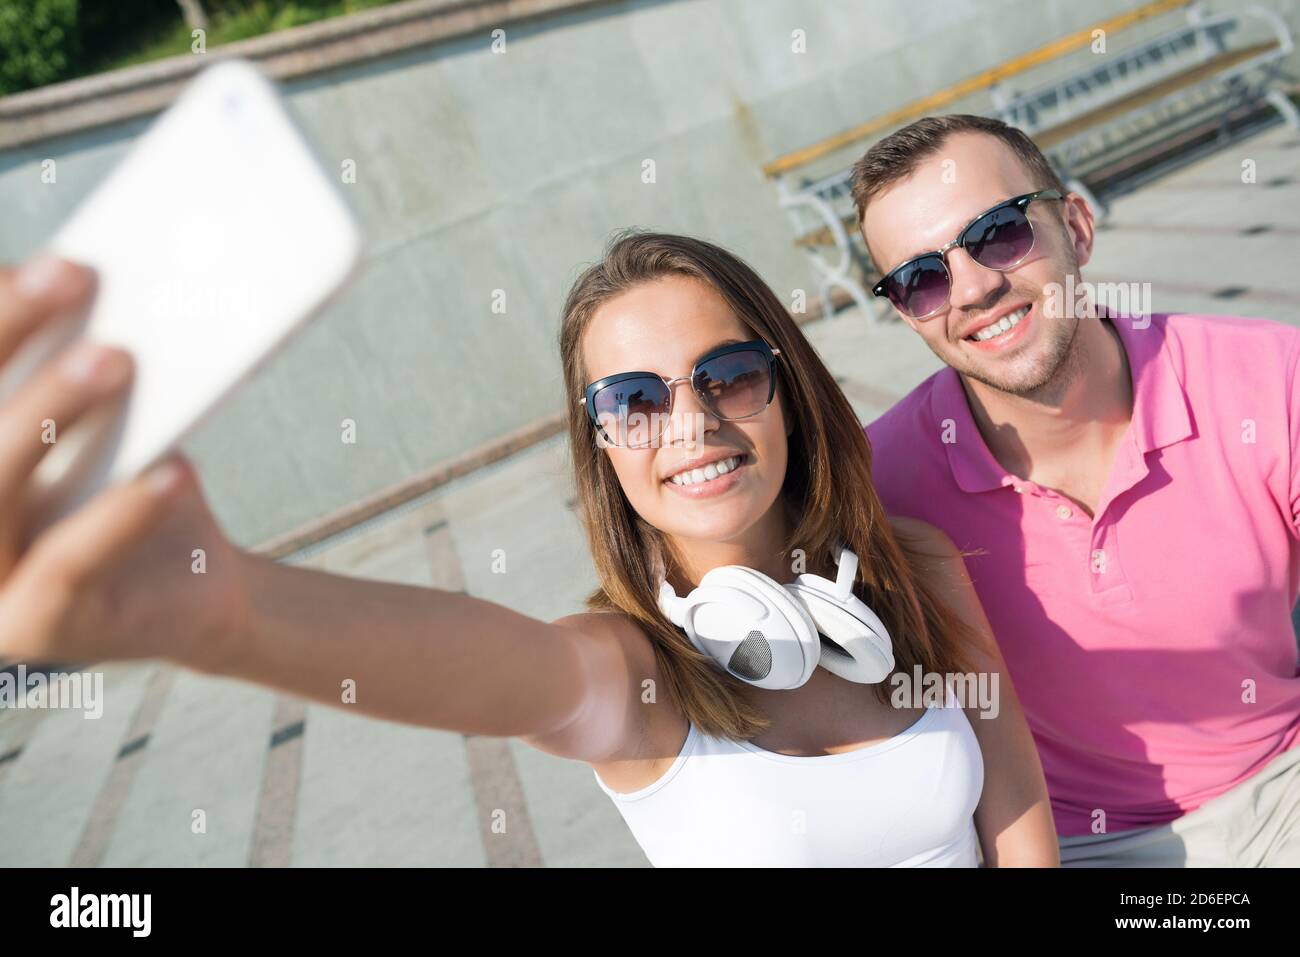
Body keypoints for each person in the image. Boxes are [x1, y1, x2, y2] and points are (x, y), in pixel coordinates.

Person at [0, 232, 1056, 866]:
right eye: (635, 400)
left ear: (786, 388)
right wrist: (225, 610)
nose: (690, 426)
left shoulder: (911, 569)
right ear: (600, 439)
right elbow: (508, 672)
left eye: (728, 373)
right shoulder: (635, 674)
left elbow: (1014, 810)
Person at [854, 113, 1300, 866]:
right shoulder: (879, 485)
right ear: (905, 312)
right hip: (1072, 842)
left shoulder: (1268, 380)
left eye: (998, 233)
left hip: (1281, 784)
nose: (972, 289)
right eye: (920, 278)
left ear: (1078, 228)